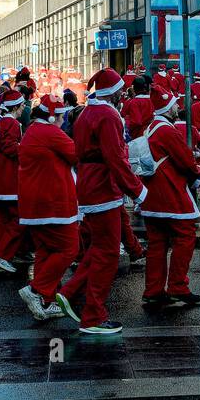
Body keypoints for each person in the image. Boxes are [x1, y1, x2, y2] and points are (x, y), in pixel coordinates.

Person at [56, 68, 147, 335]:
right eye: (120, 89)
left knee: (98, 249)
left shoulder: (87, 113)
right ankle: (93, 316)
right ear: (113, 91)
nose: (123, 93)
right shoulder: (107, 115)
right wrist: (138, 190)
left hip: (89, 184)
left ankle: (69, 292)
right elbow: (115, 157)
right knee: (107, 253)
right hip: (103, 188)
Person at [140, 89, 200, 310]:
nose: (178, 107)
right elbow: (186, 160)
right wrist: (199, 172)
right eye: (175, 104)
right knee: (185, 236)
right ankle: (178, 287)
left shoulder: (150, 128)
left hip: (151, 197)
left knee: (157, 243)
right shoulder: (167, 131)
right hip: (171, 194)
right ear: (168, 108)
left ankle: (153, 290)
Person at [15, 94, 74, 321]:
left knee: (46, 251)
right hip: (52, 203)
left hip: (35, 204)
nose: (62, 121)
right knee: (69, 248)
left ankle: (45, 302)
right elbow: (76, 153)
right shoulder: (50, 132)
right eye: (60, 117)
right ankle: (36, 289)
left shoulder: (33, 130)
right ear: (52, 117)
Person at [0, 90, 27, 274]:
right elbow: (10, 147)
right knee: (19, 219)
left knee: (1, 221)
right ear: (15, 106)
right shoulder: (13, 123)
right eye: (22, 105)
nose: (24, 107)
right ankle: (1, 255)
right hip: (9, 177)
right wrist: (25, 148)